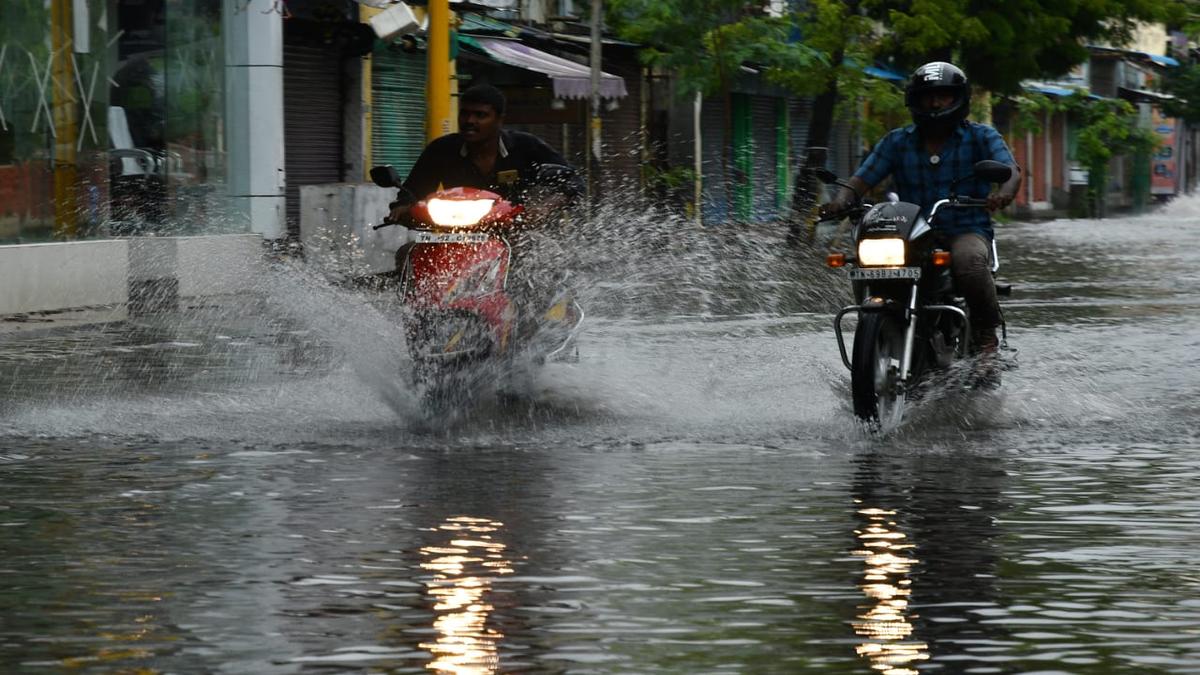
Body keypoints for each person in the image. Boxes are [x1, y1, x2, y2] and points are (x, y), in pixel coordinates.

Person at [821, 61, 1022, 361]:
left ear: (960, 99)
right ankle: (876, 326)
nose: (935, 102)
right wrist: (839, 202)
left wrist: (1003, 194)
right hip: (911, 230)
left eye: (944, 95)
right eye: (928, 96)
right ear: (915, 100)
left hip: (964, 227)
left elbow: (1010, 171)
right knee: (866, 260)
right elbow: (860, 180)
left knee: (969, 262)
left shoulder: (982, 137)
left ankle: (985, 336)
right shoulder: (896, 141)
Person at [387, 83, 583, 224]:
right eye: (465, 113)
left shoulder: (526, 146)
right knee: (407, 256)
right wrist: (403, 207)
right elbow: (412, 192)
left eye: (480, 115)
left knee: (538, 265)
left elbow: (573, 181)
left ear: (499, 119)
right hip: (456, 236)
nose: (470, 121)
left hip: (520, 235)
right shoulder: (441, 150)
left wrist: (544, 207)